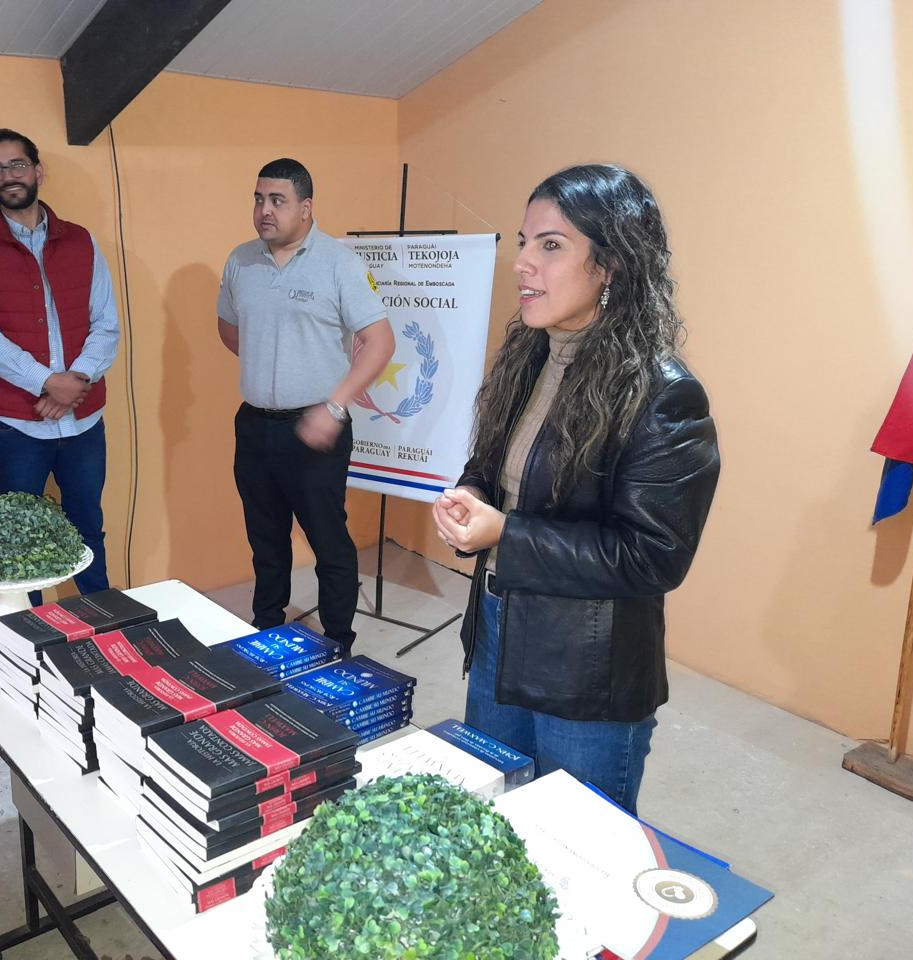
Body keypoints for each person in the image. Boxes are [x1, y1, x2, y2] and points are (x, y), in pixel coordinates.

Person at [431, 164, 720, 814]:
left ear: (611, 264)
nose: (522, 263)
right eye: (523, 241)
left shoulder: (664, 395)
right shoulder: (529, 354)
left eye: (551, 245)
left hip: (586, 668)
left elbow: (652, 557)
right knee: (490, 826)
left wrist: (506, 533)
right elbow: (492, 465)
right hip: (499, 633)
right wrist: (471, 497)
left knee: (580, 851)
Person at [218, 158, 395, 654]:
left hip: (319, 424)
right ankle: (267, 629)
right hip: (255, 425)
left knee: (328, 542)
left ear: (306, 207)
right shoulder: (240, 261)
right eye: (258, 199)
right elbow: (230, 329)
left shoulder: (339, 264)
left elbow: (379, 342)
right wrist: (273, 364)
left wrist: (334, 406)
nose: (264, 211)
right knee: (265, 539)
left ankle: (337, 641)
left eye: (277, 201)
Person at [0, 128, 120, 597]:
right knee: (20, 543)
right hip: (16, 425)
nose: (8, 176)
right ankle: (29, 646)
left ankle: (103, 629)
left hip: (84, 423)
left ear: (38, 170)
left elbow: (106, 324)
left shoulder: (82, 241)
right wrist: (47, 382)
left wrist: (76, 381)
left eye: (17, 164)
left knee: (89, 530)